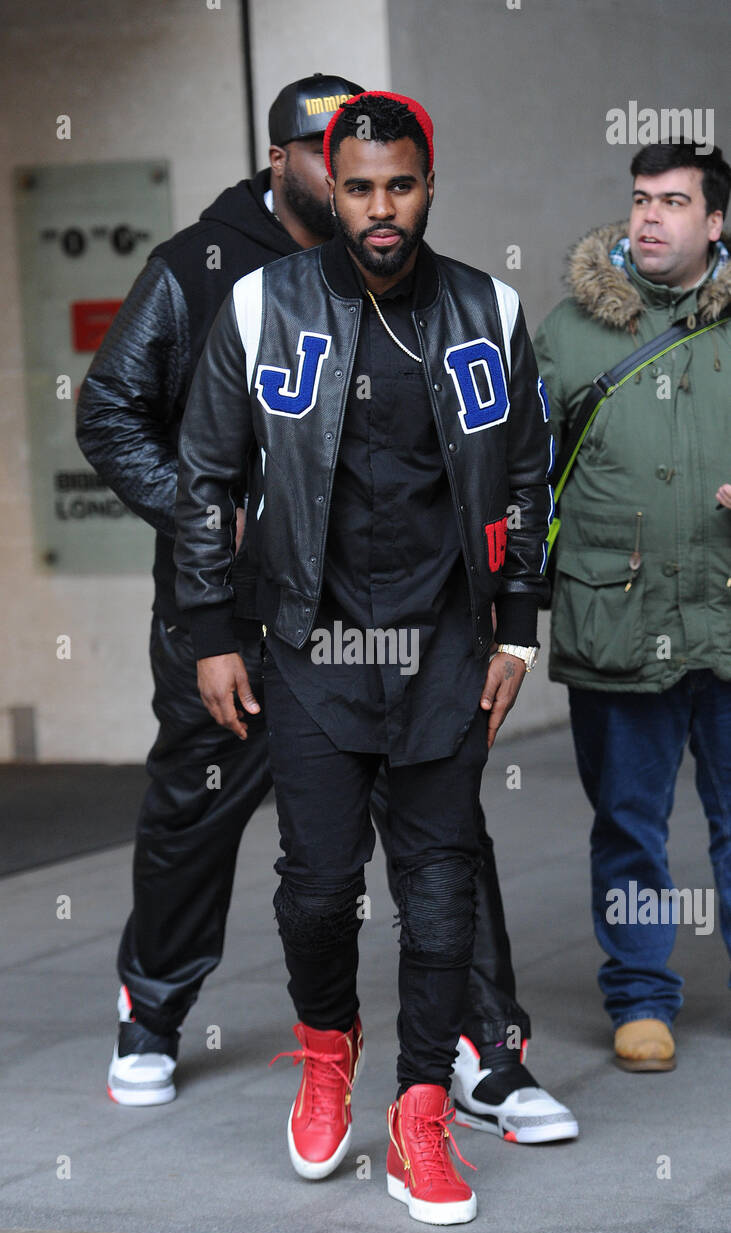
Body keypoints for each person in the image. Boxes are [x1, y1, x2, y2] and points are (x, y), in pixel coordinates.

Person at [76, 74, 576, 1146]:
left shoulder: (467, 302)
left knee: (442, 847)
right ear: (291, 166)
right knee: (215, 826)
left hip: (419, 635)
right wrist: (224, 574)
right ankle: (153, 1012)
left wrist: (512, 623)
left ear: (420, 182)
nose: (367, 195)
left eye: (393, 180)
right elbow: (131, 425)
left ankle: (472, 1060)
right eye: (333, 165)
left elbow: (518, 472)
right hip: (259, 626)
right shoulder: (206, 273)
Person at [533, 141, 731, 1072]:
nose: (648, 217)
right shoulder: (571, 331)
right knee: (629, 822)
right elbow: (520, 474)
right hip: (617, 619)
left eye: (673, 202)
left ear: (716, 222)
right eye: (639, 199)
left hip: (726, 613)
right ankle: (641, 998)